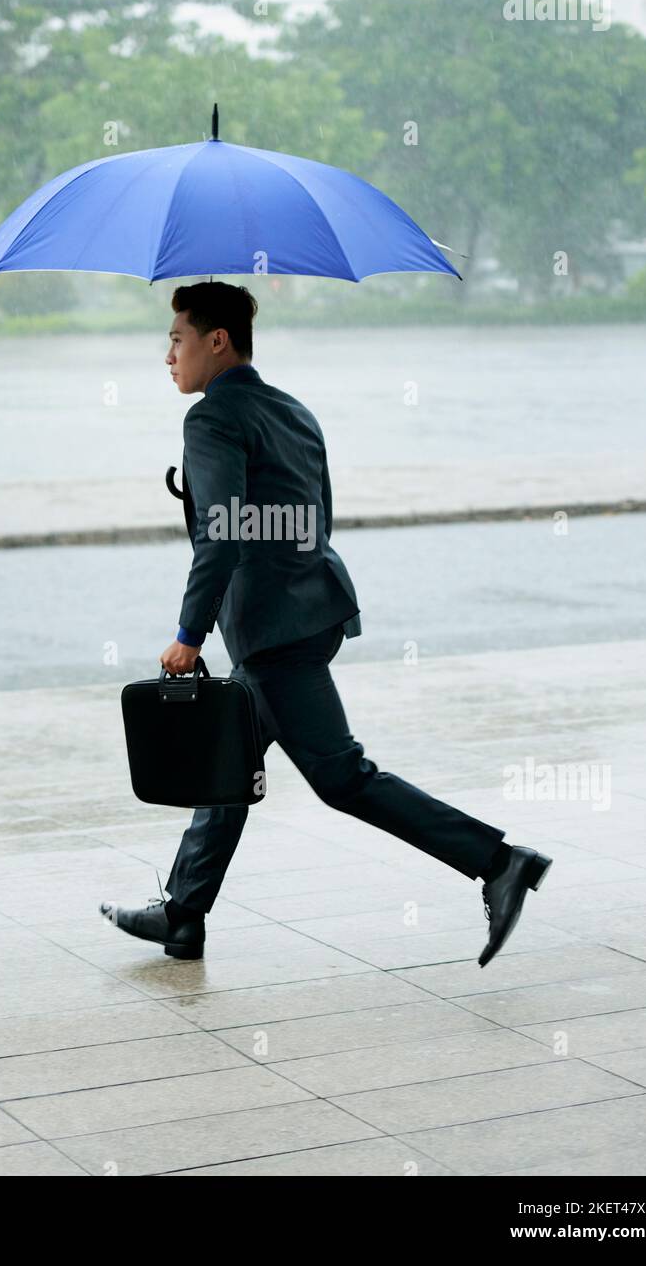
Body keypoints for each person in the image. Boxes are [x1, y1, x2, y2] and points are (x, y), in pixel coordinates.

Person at [100, 281, 552, 965]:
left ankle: (498, 862)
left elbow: (220, 536)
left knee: (342, 778)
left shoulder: (213, 419)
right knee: (228, 763)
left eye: (176, 339)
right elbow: (314, 517)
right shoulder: (292, 410)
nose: (167, 356)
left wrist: (189, 635)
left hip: (274, 630)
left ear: (215, 341)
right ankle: (184, 914)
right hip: (312, 607)